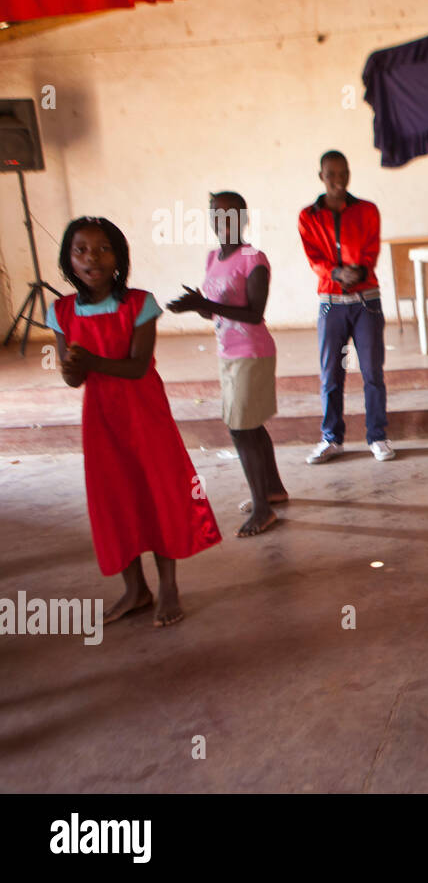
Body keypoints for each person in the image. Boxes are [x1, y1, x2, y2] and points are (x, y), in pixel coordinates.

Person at [48, 217, 222, 627]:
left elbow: (138, 367)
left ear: (119, 257)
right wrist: (73, 367)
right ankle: (135, 589)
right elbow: (73, 379)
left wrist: (90, 361)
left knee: (156, 495)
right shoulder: (60, 311)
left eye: (103, 248)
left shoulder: (139, 304)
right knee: (116, 500)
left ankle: (168, 587)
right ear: (68, 259)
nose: (92, 257)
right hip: (102, 421)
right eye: (81, 250)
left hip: (145, 415)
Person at [167, 192, 286, 537]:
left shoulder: (254, 257)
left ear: (244, 218)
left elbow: (254, 313)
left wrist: (205, 303)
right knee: (251, 425)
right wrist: (195, 305)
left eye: (230, 214)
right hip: (228, 352)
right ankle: (274, 489)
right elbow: (213, 308)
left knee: (240, 428)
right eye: (215, 214)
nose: (222, 220)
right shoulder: (212, 258)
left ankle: (262, 509)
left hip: (252, 351)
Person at [298, 150, 393, 463]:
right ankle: (331, 438)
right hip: (331, 304)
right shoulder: (308, 216)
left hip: (366, 302)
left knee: (372, 372)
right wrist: (337, 273)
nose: (338, 180)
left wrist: (358, 272)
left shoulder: (367, 210)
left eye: (343, 173)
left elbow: (371, 250)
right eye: (331, 174)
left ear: (349, 173)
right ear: (321, 176)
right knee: (331, 374)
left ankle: (377, 436)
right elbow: (314, 259)